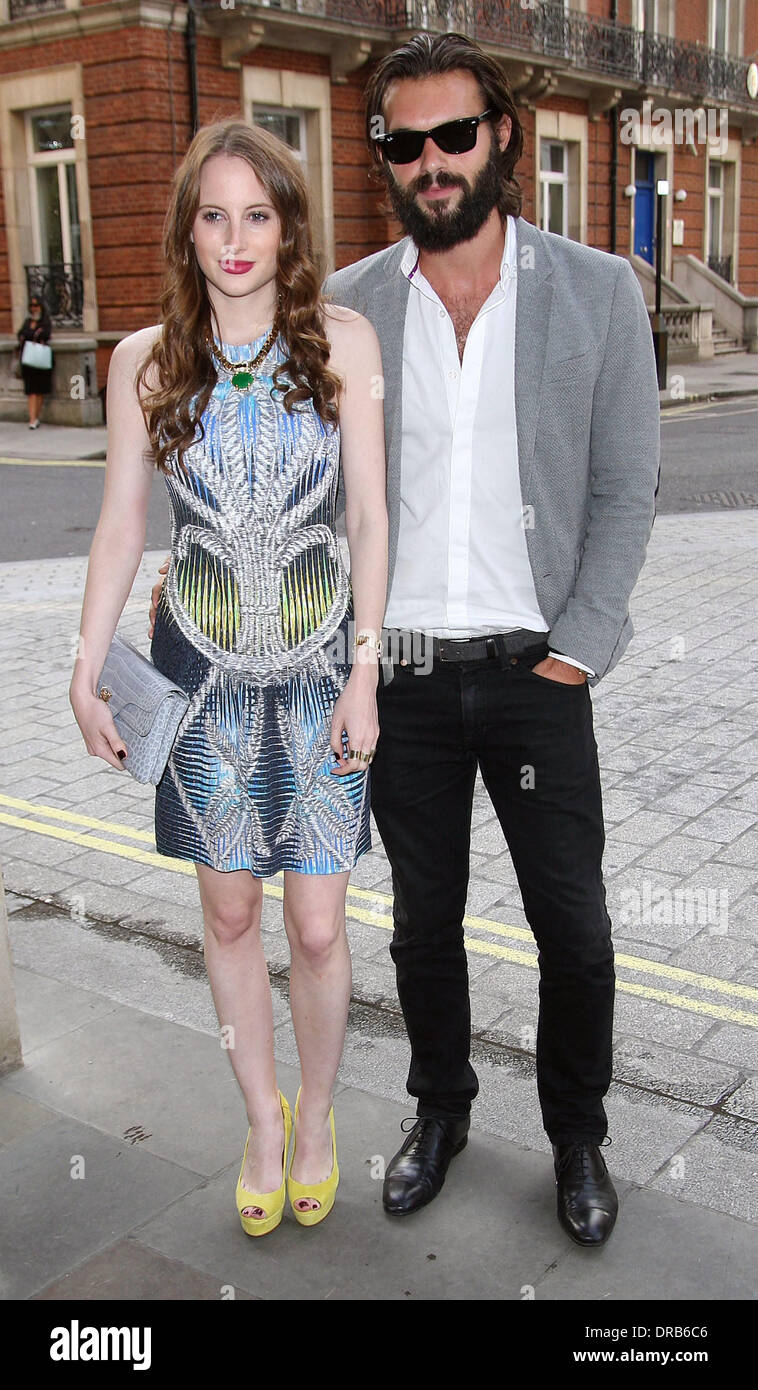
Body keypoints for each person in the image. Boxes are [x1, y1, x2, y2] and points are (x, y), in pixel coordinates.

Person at [150, 32, 661, 1248]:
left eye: (452, 136)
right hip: (399, 676)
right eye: (402, 143)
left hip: (538, 667)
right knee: (419, 920)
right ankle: (438, 1113)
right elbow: (301, 484)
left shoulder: (596, 292)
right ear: (381, 158)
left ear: (500, 142)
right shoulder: (348, 312)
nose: (429, 162)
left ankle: (577, 1133)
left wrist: (578, 647)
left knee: (571, 924)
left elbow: (625, 490)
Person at [70, 116, 388, 1238]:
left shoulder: (342, 342)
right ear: (187, 229)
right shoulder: (143, 361)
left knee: (312, 919)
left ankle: (317, 1116)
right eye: (214, 214)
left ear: (288, 225)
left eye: (258, 213)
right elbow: (118, 526)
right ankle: (261, 1119)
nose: (235, 237)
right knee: (227, 903)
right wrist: (85, 660)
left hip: (316, 667)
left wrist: (366, 670)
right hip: (196, 669)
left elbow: (368, 515)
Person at [17, 295, 53, 428]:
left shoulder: (45, 322)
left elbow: (46, 334)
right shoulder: (27, 321)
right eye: (31, 306)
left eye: (36, 306)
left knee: (40, 390)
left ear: (41, 307)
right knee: (31, 391)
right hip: (28, 360)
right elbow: (20, 335)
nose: (34, 309)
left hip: (41, 359)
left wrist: (29, 335)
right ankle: (32, 419)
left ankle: (36, 417)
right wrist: (33, 334)